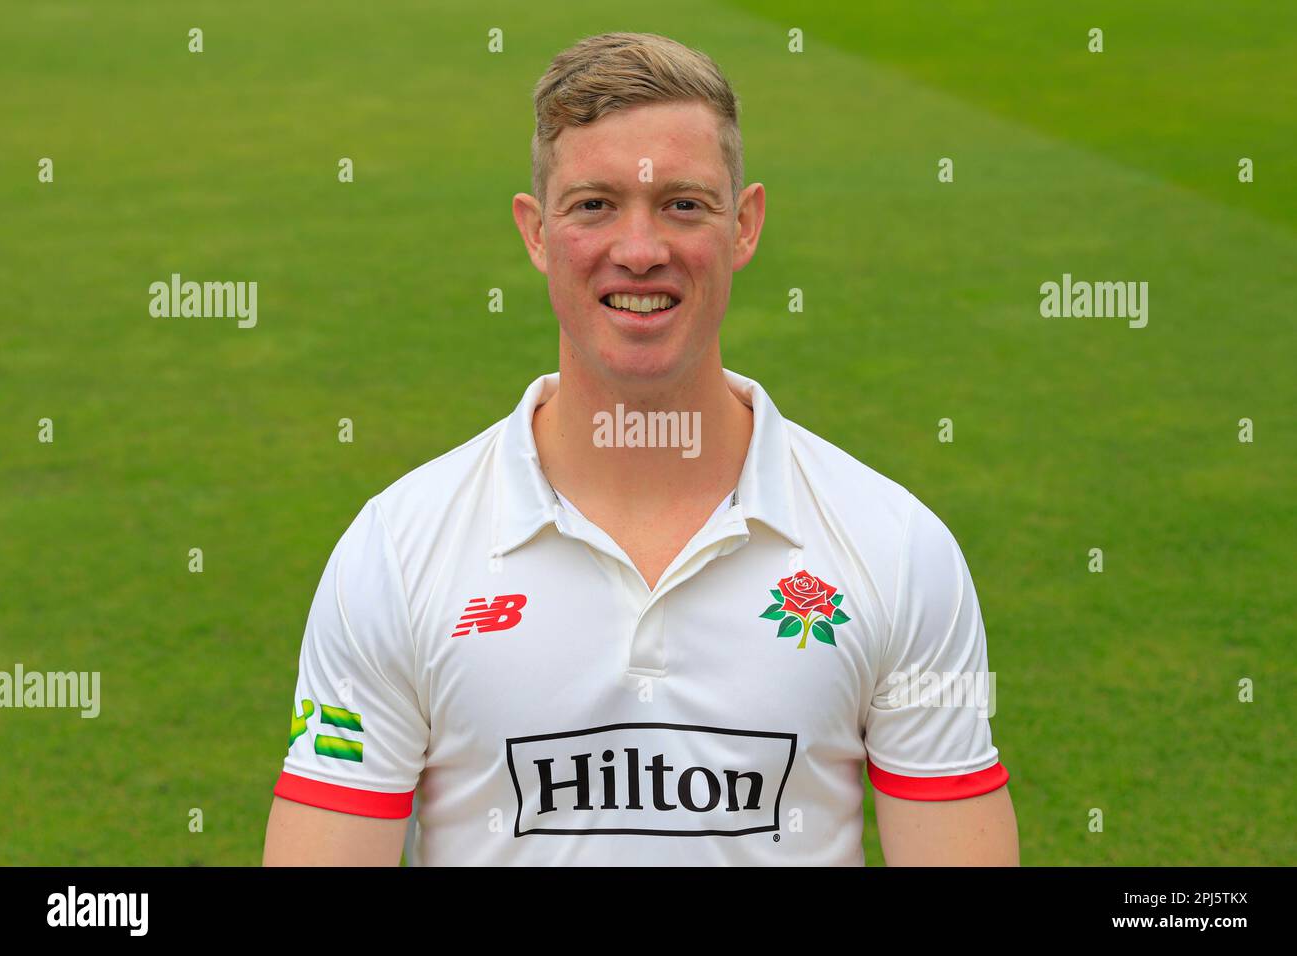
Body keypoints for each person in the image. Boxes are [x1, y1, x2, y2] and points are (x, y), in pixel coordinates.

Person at [263, 31, 1018, 866]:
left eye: (684, 205)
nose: (640, 250)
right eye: (594, 205)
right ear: (536, 232)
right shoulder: (396, 552)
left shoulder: (898, 548)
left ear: (746, 225)